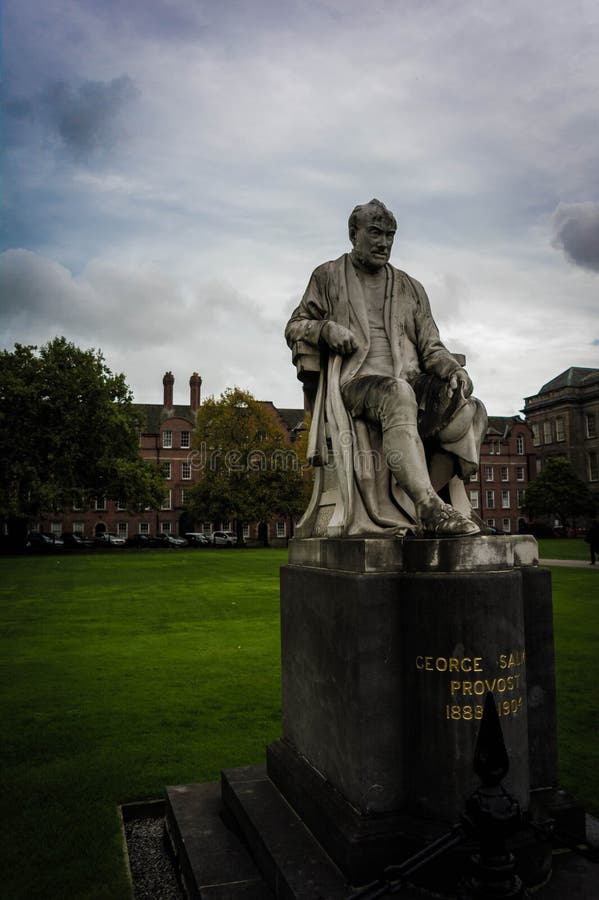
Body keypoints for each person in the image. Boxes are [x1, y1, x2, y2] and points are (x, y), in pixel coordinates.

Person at [285, 199, 487, 538]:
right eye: (375, 233)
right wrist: (324, 330)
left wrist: (453, 370)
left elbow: (431, 346)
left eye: (390, 236)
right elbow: (295, 325)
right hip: (358, 382)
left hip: (411, 380)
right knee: (398, 393)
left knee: (472, 409)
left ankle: (432, 502)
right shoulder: (328, 275)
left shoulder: (411, 287)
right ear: (354, 234)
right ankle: (428, 506)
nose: (384, 243)